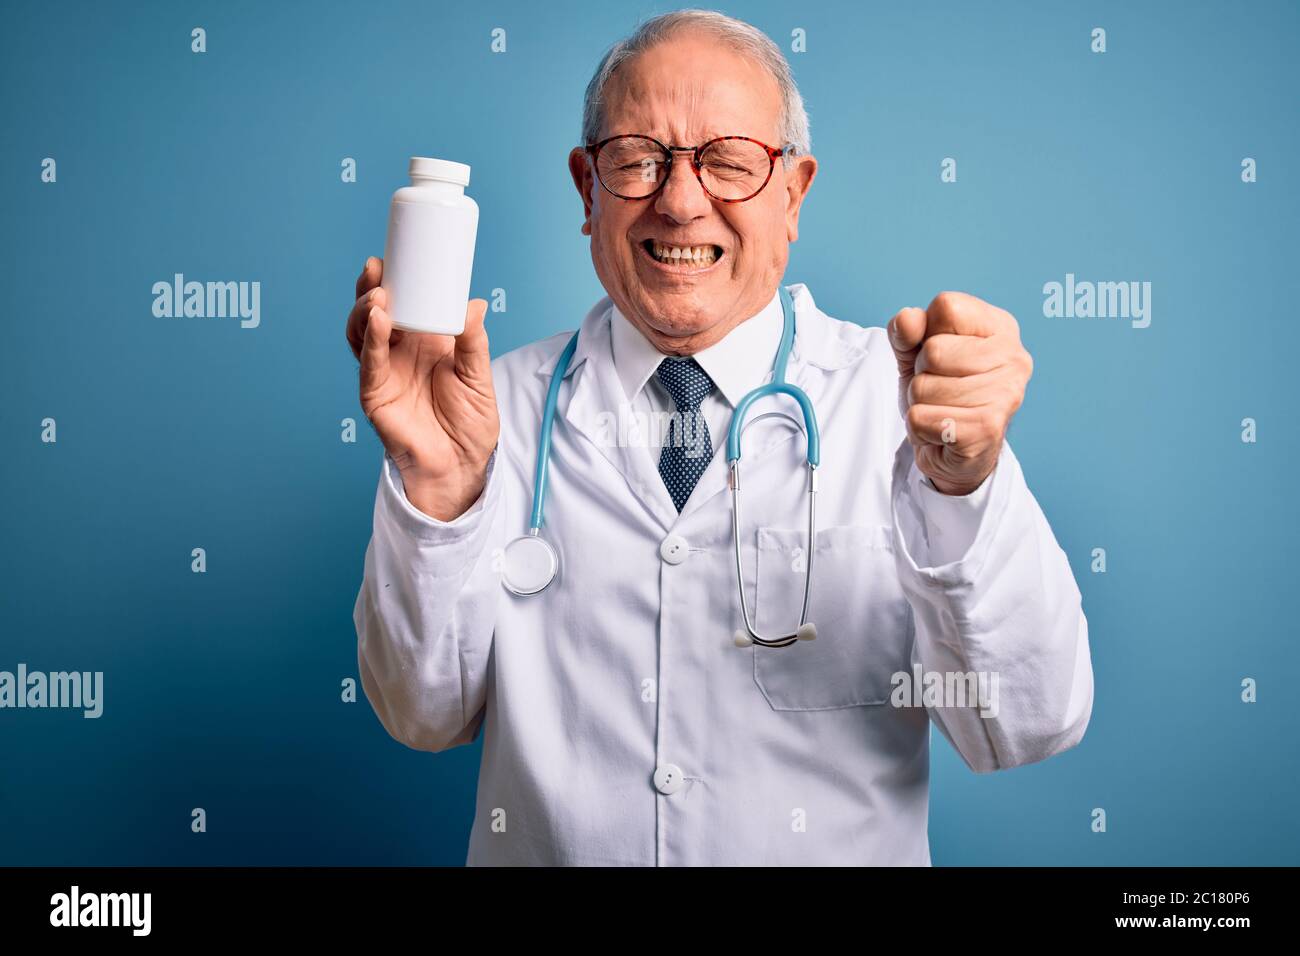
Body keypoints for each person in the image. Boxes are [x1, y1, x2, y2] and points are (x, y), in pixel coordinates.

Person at [346, 9, 1092, 866]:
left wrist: (963, 489)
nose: (680, 199)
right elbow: (421, 715)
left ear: (794, 194)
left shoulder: (907, 407)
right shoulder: (481, 410)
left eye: (729, 162)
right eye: (637, 161)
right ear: (586, 189)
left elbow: (1027, 722)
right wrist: (438, 490)